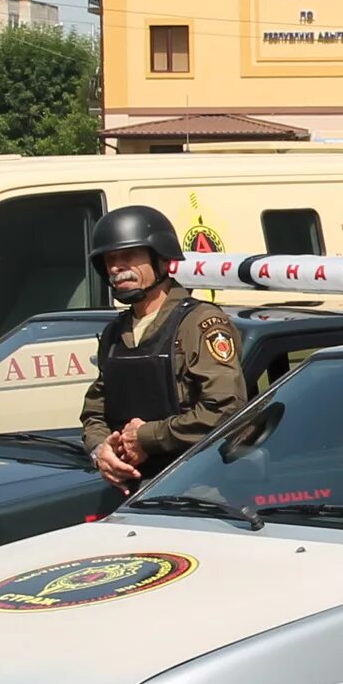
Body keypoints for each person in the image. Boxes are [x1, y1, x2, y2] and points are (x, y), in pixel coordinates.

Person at [78, 205, 246, 489]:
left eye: (129, 256)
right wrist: (100, 450)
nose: (117, 268)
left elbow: (225, 410)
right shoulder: (116, 333)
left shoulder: (199, 323)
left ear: (163, 261)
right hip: (129, 486)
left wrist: (146, 437)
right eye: (110, 260)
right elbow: (95, 412)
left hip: (198, 486)